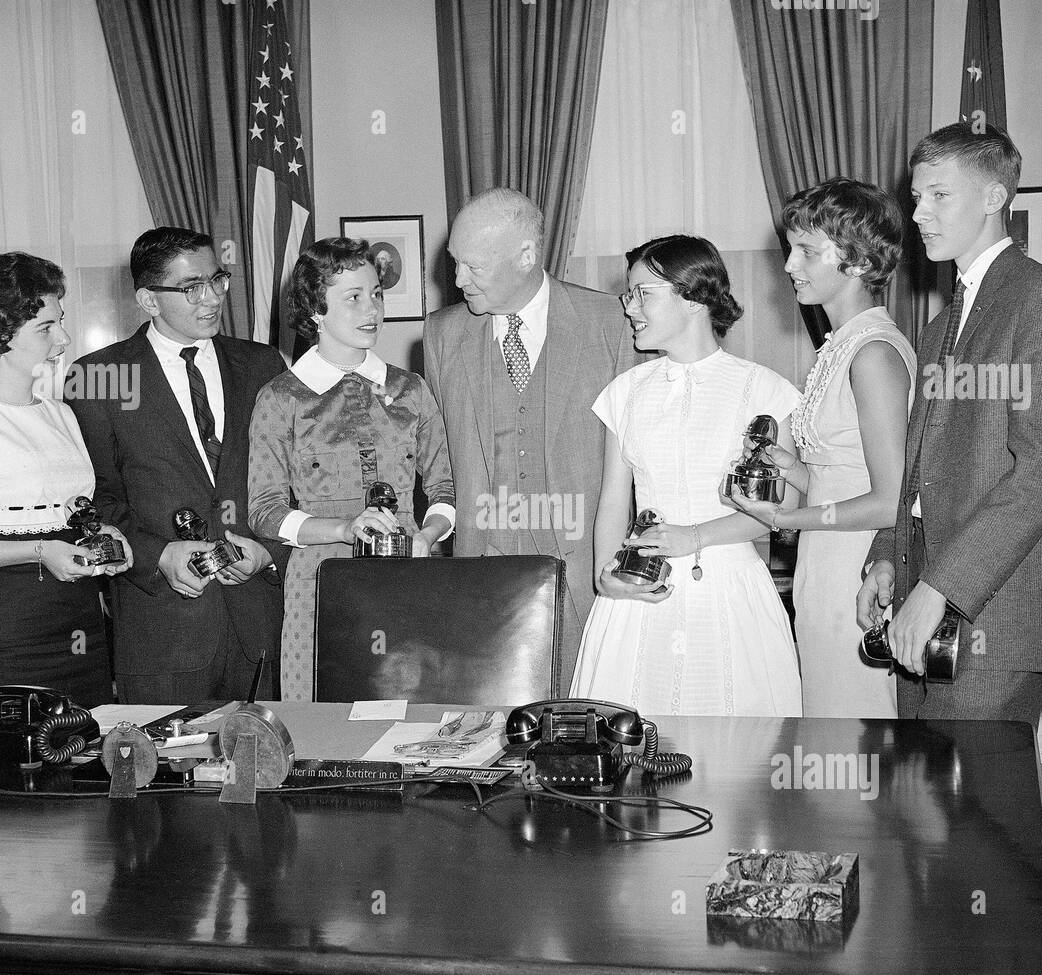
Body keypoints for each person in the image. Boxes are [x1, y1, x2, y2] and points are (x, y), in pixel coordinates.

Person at [856, 123, 1042, 727]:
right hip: (925, 605)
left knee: (985, 812)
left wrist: (940, 588)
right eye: (916, 197)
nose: (919, 213)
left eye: (939, 195)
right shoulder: (941, 326)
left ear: (995, 197)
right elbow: (920, 467)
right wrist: (888, 554)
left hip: (996, 611)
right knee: (930, 804)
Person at [570, 235, 803, 717]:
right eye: (628, 294)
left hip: (729, 595)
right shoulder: (625, 393)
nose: (629, 307)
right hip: (640, 595)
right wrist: (604, 575)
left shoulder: (762, 390)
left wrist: (692, 537)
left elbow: (778, 513)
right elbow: (615, 501)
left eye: (643, 294)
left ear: (694, 298)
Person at [423, 187, 635, 681]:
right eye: (455, 263)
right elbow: (439, 466)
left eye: (473, 266)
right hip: (483, 581)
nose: (458, 280)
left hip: (587, 575)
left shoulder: (614, 324)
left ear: (526, 255)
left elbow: (638, 460)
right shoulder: (440, 334)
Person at [68, 227, 287, 704]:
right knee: (165, 776)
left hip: (263, 626)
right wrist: (159, 556)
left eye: (218, 279)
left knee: (267, 773)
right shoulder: (98, 378)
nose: (212, 299)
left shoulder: (263, 365)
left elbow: (298, 482)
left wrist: (269, 552)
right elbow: (94, 501)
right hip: (162, 632)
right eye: (192, 288)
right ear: (148, 300)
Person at [727, 178, 914, 717]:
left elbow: (891, 499)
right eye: (793, 249)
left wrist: (792, 517)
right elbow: (842, 476)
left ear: (856, 260)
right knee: (830, 725)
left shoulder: (872, 354)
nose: (789, 265)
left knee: (854, 734)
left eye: (807, 251)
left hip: (857, 566)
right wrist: (788, 466)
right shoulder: (841, 346)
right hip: (824, 563)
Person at [0, 253, 132, 707]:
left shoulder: (64, 415)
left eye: (61, 322)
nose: (64, 339)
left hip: (81, 627)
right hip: (8, 635)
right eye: (45, 327)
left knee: (87, 760)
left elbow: (70, 512)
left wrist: (103, 536)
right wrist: (39, 550)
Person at [249, 237, 457, 700]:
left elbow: (445, 488)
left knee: (407, 712)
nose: (372, 310)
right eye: (354, 297)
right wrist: (344, 528)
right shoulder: (281, 398)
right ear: (315, 311)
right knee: (324, 720)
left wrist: (426, 535)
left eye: (377, 294)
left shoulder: (410, 389)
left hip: (407, 575)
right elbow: (264, 513)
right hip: (321, 584)